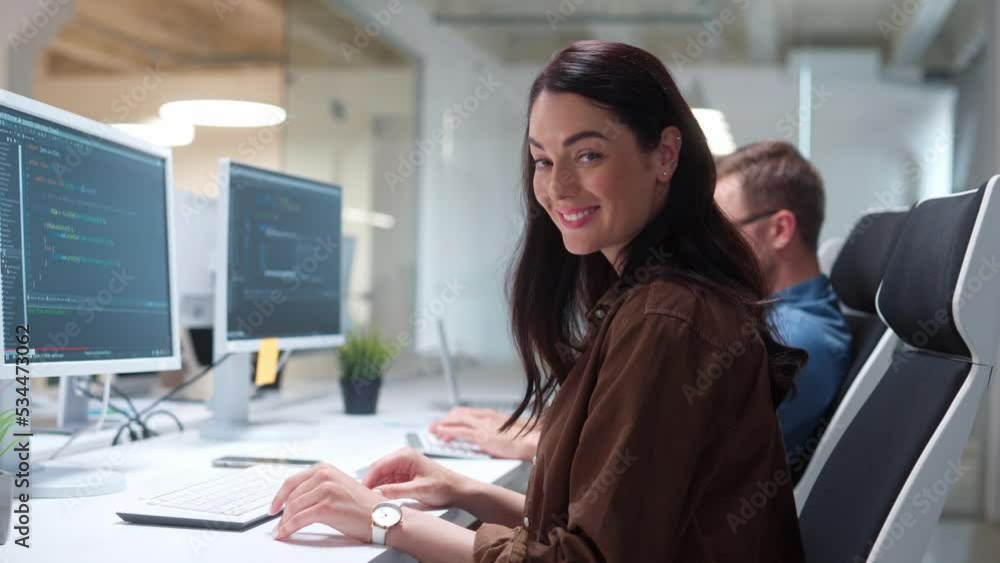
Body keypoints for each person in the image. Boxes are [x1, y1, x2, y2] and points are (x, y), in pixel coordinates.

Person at [268, 40, 807, 562]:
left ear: (664, 154)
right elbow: (605, 526)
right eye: (543, 161)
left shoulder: (667, 319)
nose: (558, 187)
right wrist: (461, 490)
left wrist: (384, 520)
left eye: (588, 154)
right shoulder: (651, 301)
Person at [714, 141, 852, 467]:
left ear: (780, 229)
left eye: (725, 231)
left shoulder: (797, 339)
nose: (715, 247)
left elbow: (696, 453)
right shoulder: (773, 316)